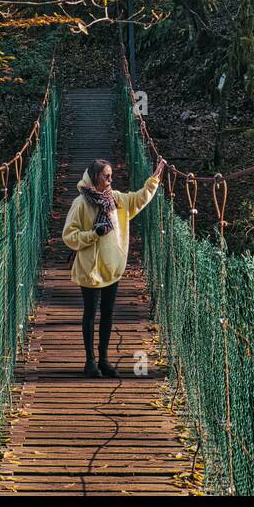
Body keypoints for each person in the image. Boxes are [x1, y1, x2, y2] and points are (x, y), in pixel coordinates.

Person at [62, 155, 165, 377]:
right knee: (91, 313)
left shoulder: (116, 199)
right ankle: (90, 362)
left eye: (111, 175)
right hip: (90, 268)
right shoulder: (81, 203)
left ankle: (104, 360)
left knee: (108, 312)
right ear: (94, 178)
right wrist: (93, 234)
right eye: (106, 176)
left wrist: (153, 181)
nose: (110, 179)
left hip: (112, 267)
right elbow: (69, 235)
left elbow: (138, 199)